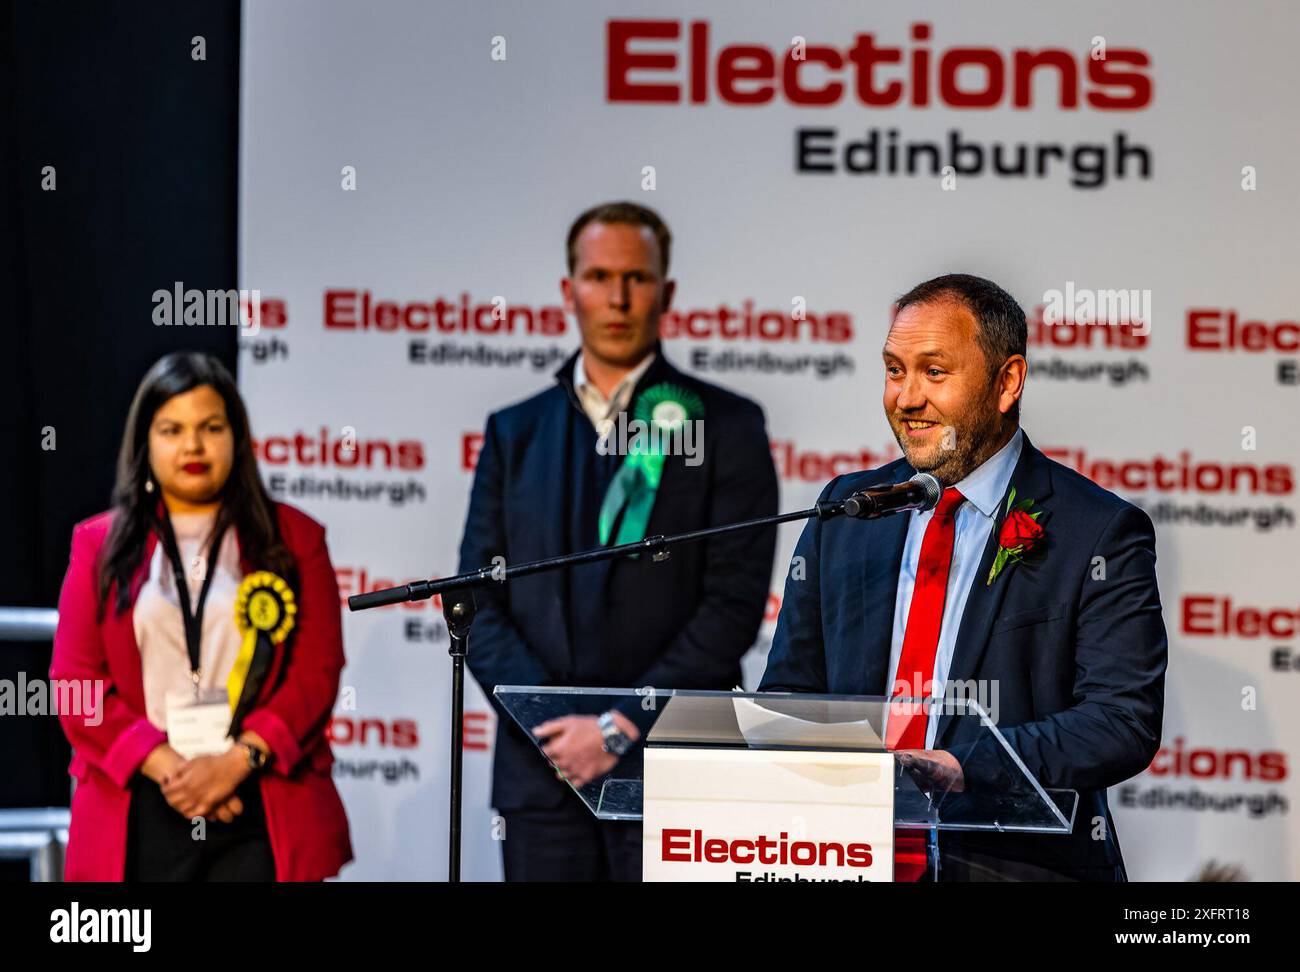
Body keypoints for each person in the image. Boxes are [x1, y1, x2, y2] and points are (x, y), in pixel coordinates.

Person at [760, 273, 1167, 882]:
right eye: (895, 370)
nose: (906, 398)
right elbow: (793, 694)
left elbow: (1120, 720)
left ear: (1007, 382)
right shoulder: (848, 510)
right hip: (848, 859)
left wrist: (966, 763)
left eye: (934, 372)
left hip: (1012, 868)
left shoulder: (1096, 531)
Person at [460, 201, 779, 881]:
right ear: (568, 290)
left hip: (678, 768)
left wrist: (618, 725)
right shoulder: (514, 433)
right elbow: (476, 600)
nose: (617, 296)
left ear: (666, 294)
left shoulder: (727, 426)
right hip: (540, 773)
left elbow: (732, 605)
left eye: (636, 279)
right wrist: (558, 725)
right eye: (599, 276)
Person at [51, 351, 353, 881]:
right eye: (172, 429)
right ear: (146, 442)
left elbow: (316, 672)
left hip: (259, 798)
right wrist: (175, 772)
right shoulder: (96, 544)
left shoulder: (298, 539)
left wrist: (232, 765)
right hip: (140, 801)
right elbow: (75, 683)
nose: (193, 445)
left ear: (237, 437)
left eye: (211, 427)